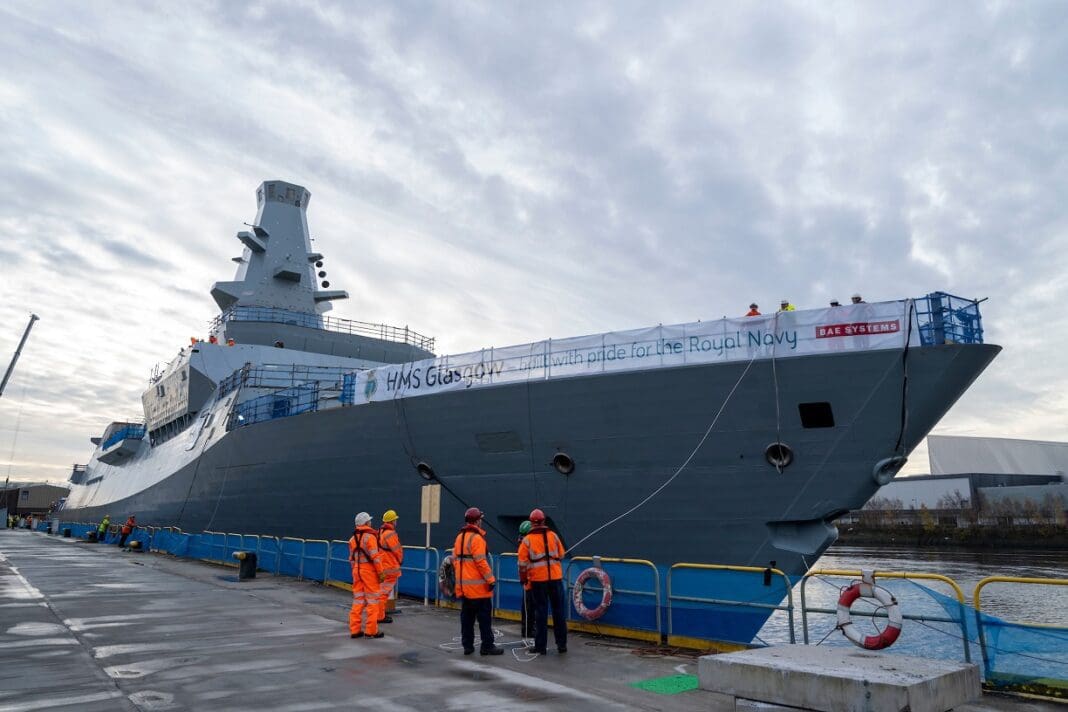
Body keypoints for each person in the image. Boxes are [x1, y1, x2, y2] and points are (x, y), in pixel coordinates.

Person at [453, 507, 503, 655]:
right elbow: (481, 562)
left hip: (464, 588)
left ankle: (467, 646)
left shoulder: (459, 538)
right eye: (480, 519)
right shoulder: (477, 539)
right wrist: (491, 580)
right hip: (479, 589)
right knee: (484, 619)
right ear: (477, 521)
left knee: (467, 619)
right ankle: (487, 646)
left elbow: (455, 560)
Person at [518, 508, 567, 655]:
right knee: (559, 612)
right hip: (556, 579)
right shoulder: (554, 536)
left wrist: (523, 579)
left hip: (538, 581)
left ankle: (540, 647)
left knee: (541, 613)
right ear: (544, 521)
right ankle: (562, 645)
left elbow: (522, 564)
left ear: (531, 523)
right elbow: (562, 555)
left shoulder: (527, 541)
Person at [348, 512, 386, 639]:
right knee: (373, 601)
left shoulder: (352, 539)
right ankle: (371, 631)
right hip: (368, 572)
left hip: (357, 571)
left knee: (358, 601)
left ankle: (355, 630)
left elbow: (351, 559)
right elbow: (375, 557)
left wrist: (355, 571)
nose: (371, 522)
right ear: (366, 523)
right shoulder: (370, 537)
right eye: (369, 521)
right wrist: (381, 572)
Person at [377, 509, 403, 624]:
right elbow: (397, 550)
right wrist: (400, 560)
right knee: (384, 593)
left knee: (381, 592)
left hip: (383, 566)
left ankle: (379, 613)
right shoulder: (390, 534)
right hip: (390, 567)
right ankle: (379, 616)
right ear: (392, 521)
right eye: (395, 520)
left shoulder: (380, 532)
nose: (396, 522)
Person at [517, 520, 536, 639]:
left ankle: (528, 629)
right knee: (530, 608)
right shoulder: (529, 543)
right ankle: (528, 631)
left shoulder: (522, 543)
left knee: (527, 607)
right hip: (532, 580)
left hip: (527, 580)